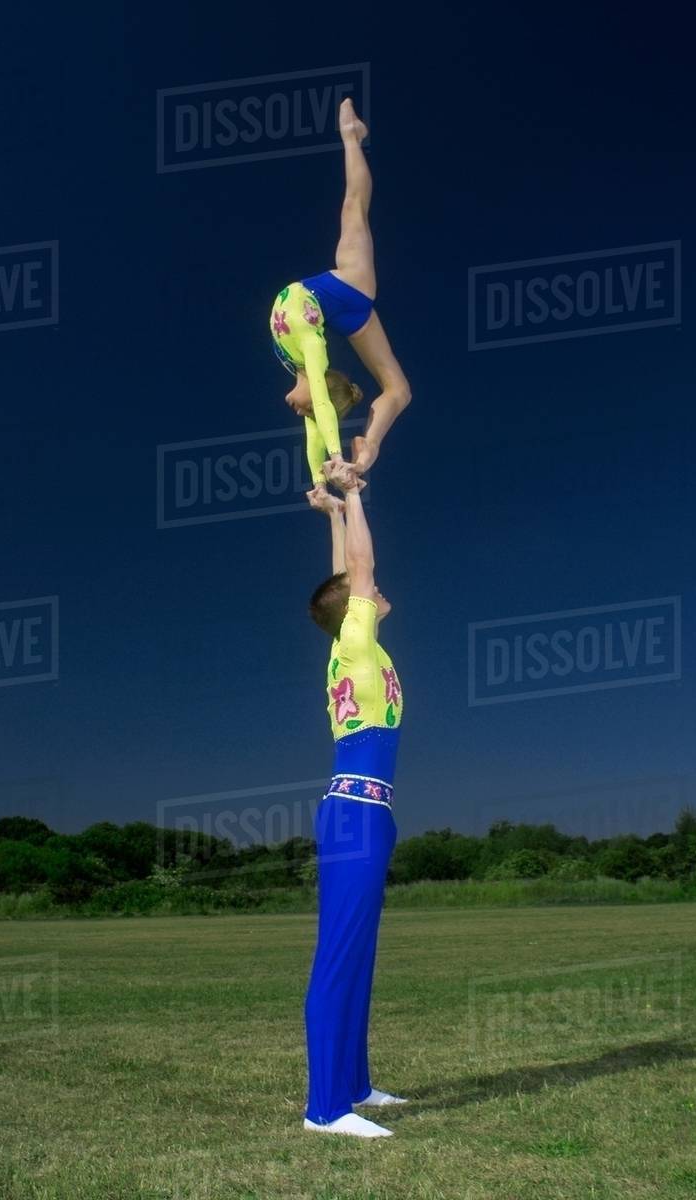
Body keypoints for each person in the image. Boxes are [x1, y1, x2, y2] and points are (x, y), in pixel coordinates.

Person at [301, 461, 406, 1137]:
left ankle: (356, 1085)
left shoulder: (356, 643)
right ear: (354, 608)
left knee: (360, 954)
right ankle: (324, 1108)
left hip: (372, 814)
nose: (374, 588)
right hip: (354, 816)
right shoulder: (356, 640)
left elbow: (347, 578)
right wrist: (356, 496)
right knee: (339, 953)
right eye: (365, 591)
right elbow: (358, 574)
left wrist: (335, 516)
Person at [269, 98, 411, 489]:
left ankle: (369, 449)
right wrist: (335, 456)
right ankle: (351, 137)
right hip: (344, 286)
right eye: (312, 410)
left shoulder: (294, 363)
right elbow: (318, 398)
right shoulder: (313, 356)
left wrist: (318, 482)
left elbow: (313, 428)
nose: (300, 414)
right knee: (353, 205)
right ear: (322, 399)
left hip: (341, 309)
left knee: (399, 388)